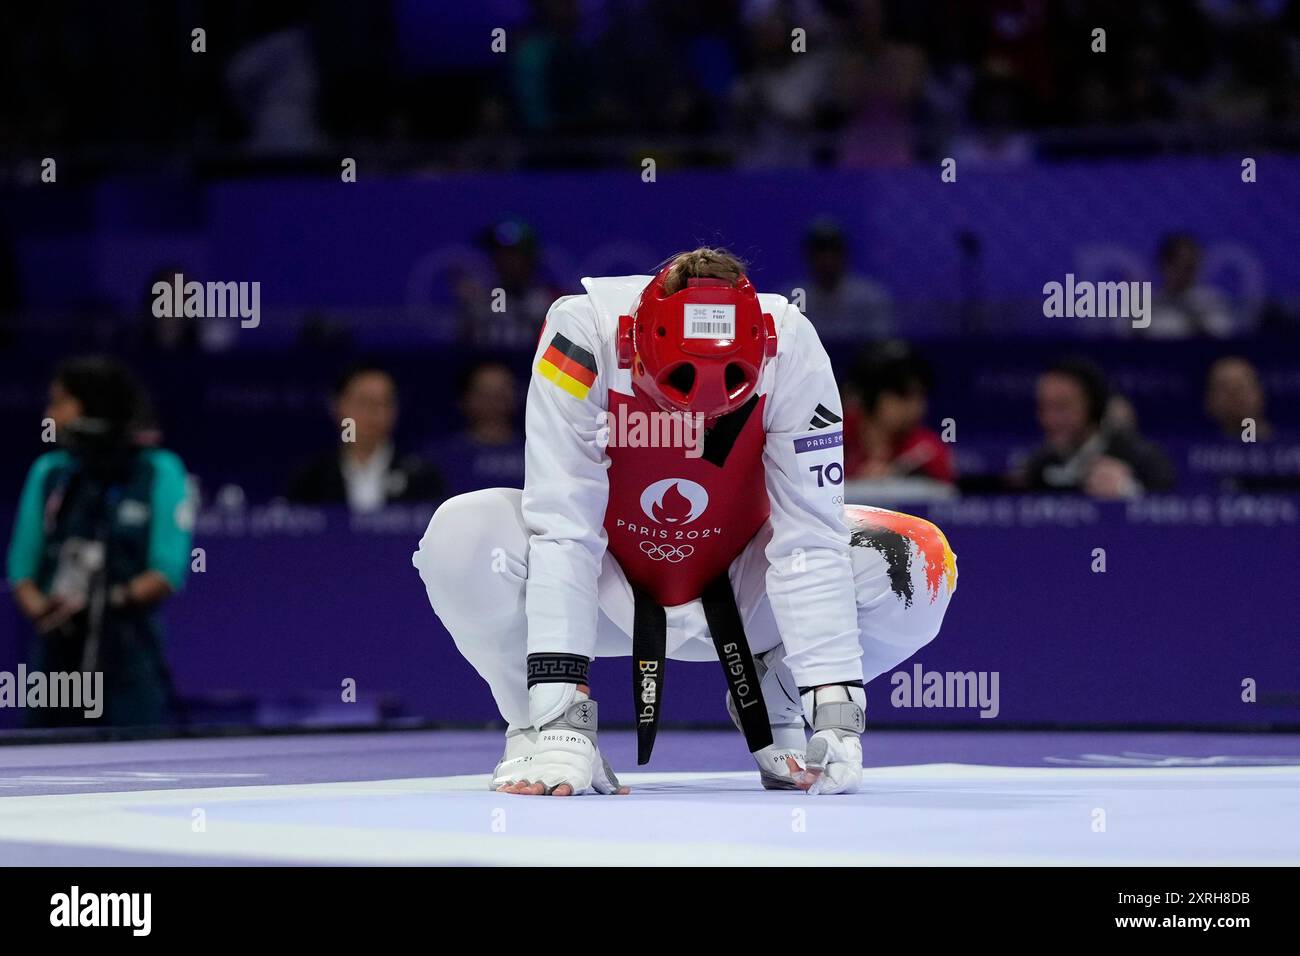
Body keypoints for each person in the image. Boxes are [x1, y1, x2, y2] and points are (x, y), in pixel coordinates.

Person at [414, 248, 957, 796]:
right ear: (635, 344)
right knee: (460, 536)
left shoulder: (791, 344)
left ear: (759, 349)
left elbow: (810, 538)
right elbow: (564, 524)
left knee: (916, 561)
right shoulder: (581, 335)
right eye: (677, 386)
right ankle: (533, 728)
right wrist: (562, 721)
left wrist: (836, 712)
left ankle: (779, 693)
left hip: (751, 593)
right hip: (607, 588)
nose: (696, 414)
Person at [6, 357, 193, 726]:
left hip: (129, 654)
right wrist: (48, 611)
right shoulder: (50, 473)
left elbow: (167, 570)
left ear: (91, 406)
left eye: (59, 402)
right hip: (56, 656)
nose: (49, 414)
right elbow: (21, 569)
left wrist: (107, 600)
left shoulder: (158, 469)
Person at [288, 362, 443, 512]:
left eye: (383, 403)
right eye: (363, 402)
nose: (374, 413)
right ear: (338, 406)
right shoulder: (311, 480)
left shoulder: (422, 477)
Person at [1019, 357, 1175, 497]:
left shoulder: (1142, 458)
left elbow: (1169, 505)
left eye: (1062, 407)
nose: (1049, 419)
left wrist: (1129, 491)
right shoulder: (1039, 463)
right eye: (1043, 407)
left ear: (1094, 407)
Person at [843, 341, 954, 485]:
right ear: (869, 395)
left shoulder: (928, 451)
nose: (916, 407)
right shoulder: (835, 435)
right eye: (902, 395)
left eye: (920, 395)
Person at [425, 360, 526, 498]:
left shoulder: (536, 452)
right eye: (486, 394)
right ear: (465, 399)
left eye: (502, 393)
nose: (495, 402)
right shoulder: (440, 458)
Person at [1204, 356, 1273, 442]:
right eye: (1225, 389)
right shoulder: (1190, 448)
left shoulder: (1287, 445)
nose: (1235, 396)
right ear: (1209, 400)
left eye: (1241, 387)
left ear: (1259, 394)